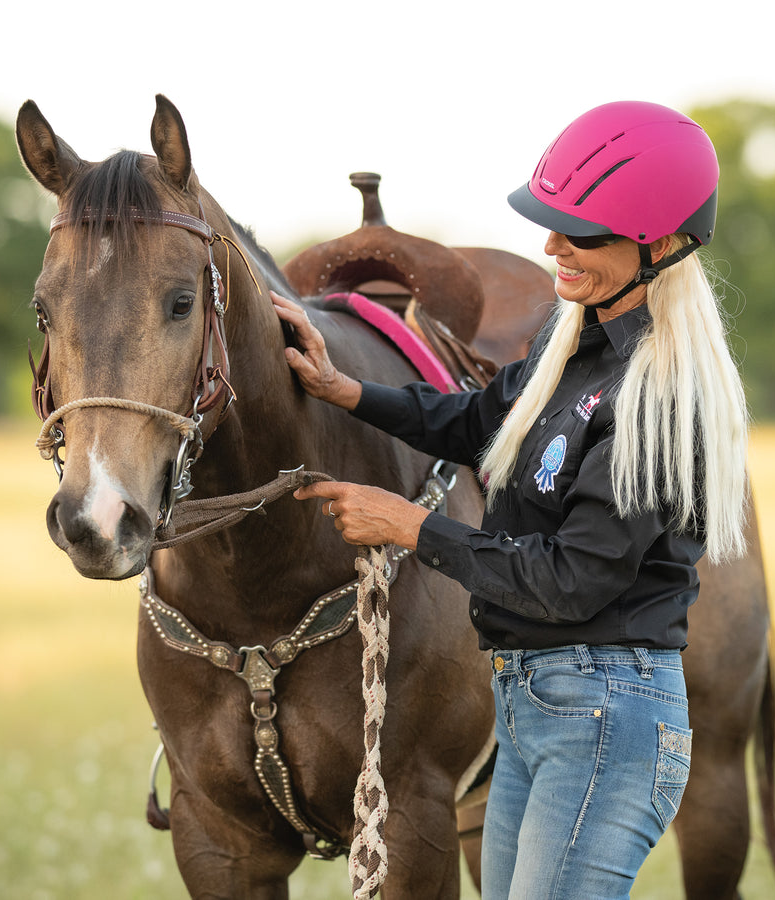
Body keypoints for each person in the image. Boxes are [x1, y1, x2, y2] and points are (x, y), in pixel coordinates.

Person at [273, 100, 748, 899]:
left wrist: (411, 525)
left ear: (660, 246)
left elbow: (571, 581)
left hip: (604, 716)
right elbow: (477, 421)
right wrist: (346, 390)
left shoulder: (660, 395)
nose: (552, 245)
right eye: (554, 222)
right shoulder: (571, 345)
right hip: (531, 709)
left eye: (582, 232)